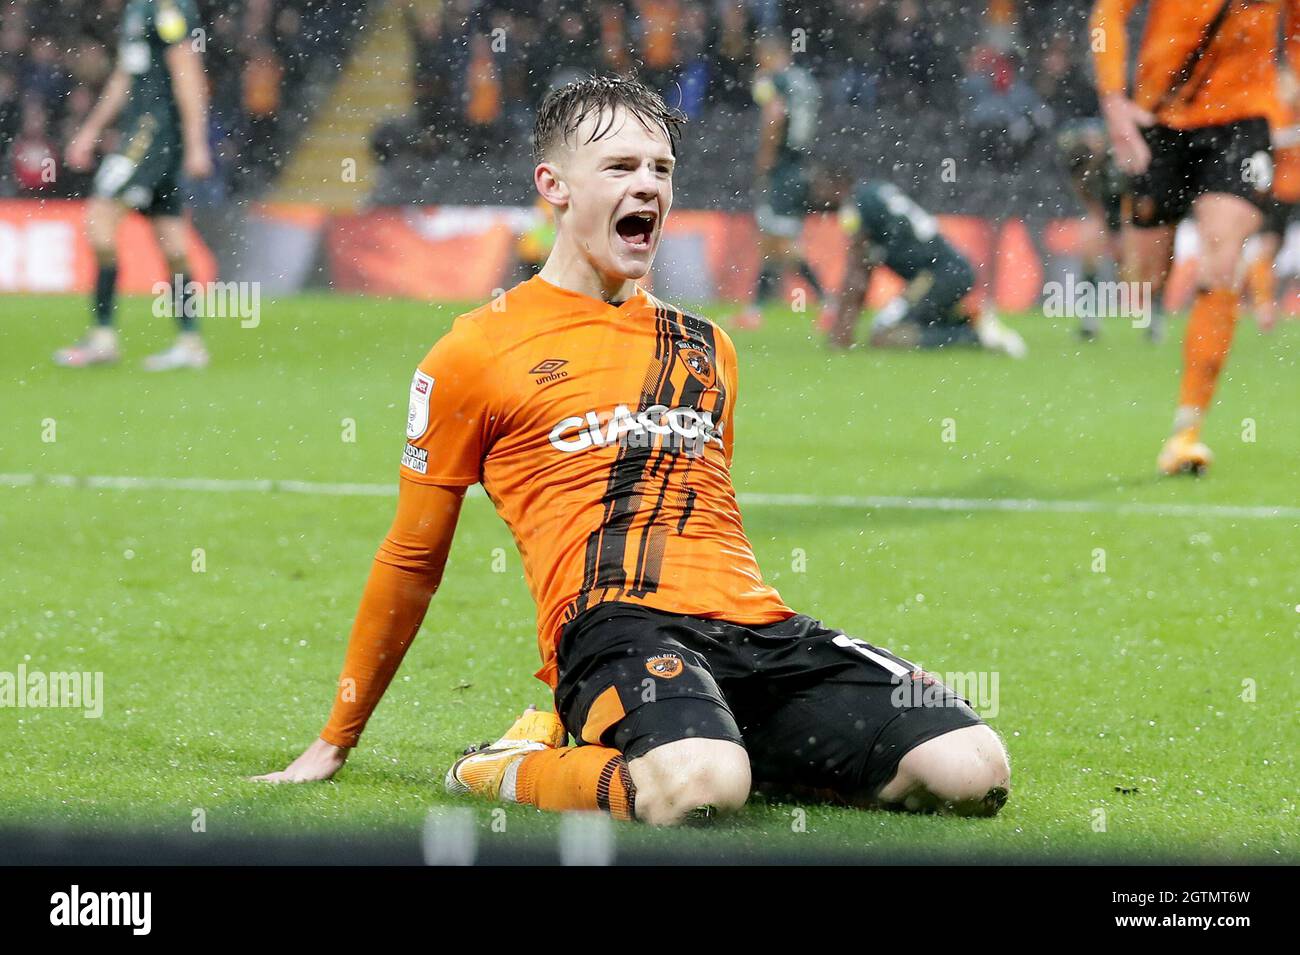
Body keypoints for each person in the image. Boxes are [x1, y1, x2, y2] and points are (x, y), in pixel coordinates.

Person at [254, 77, 1011, 825]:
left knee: (972, 769)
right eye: (620, 167)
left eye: (661, 169)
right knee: (698, 789)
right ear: (553, 185)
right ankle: (510, 766)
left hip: (758, 630)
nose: (647, 185)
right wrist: (335, 738)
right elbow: (412, 556)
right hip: (616, 629)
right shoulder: (474, 351)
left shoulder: (705, 345)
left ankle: (716, 744)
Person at [1092, 0, 1300, 475]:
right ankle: (1110, 197)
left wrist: (1293, 83)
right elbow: (1108, 14)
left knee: (1222, 262)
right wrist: (1112, 99)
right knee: (1141, 285)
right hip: (1160, 116)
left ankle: (1187, 432)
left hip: (1244, 120)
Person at [54, 0, 212, 371]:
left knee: (99, 221)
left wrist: (196, 143)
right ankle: (190, 341)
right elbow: (126, 75)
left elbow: (188, 72)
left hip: (151, 134)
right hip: (146, 135)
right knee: (172, 242)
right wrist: (91, 131)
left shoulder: (169, 10)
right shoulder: (138, 9)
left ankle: (103, 337)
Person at [819, 172, 1027, 357]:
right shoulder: (874, 192)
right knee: (894, 325)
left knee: (885, 336)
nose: (819, 194)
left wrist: (842, 329)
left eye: (821, 185)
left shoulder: (856, 205)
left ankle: (975, 336)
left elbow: (858, 274)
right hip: (947, 270)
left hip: (936, 274)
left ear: (836, 182)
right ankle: (970, 322)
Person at [732, 37, 825, 331]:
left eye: (762, 57)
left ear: (773, 54)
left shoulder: (773, 81)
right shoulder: (805, 81)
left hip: (783, 169)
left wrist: (765, 160)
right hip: (801, 167)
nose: (760, 64)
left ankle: (828, 303)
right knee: (773, 244)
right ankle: (755, 310)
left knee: (782, 246)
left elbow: (774, 117)